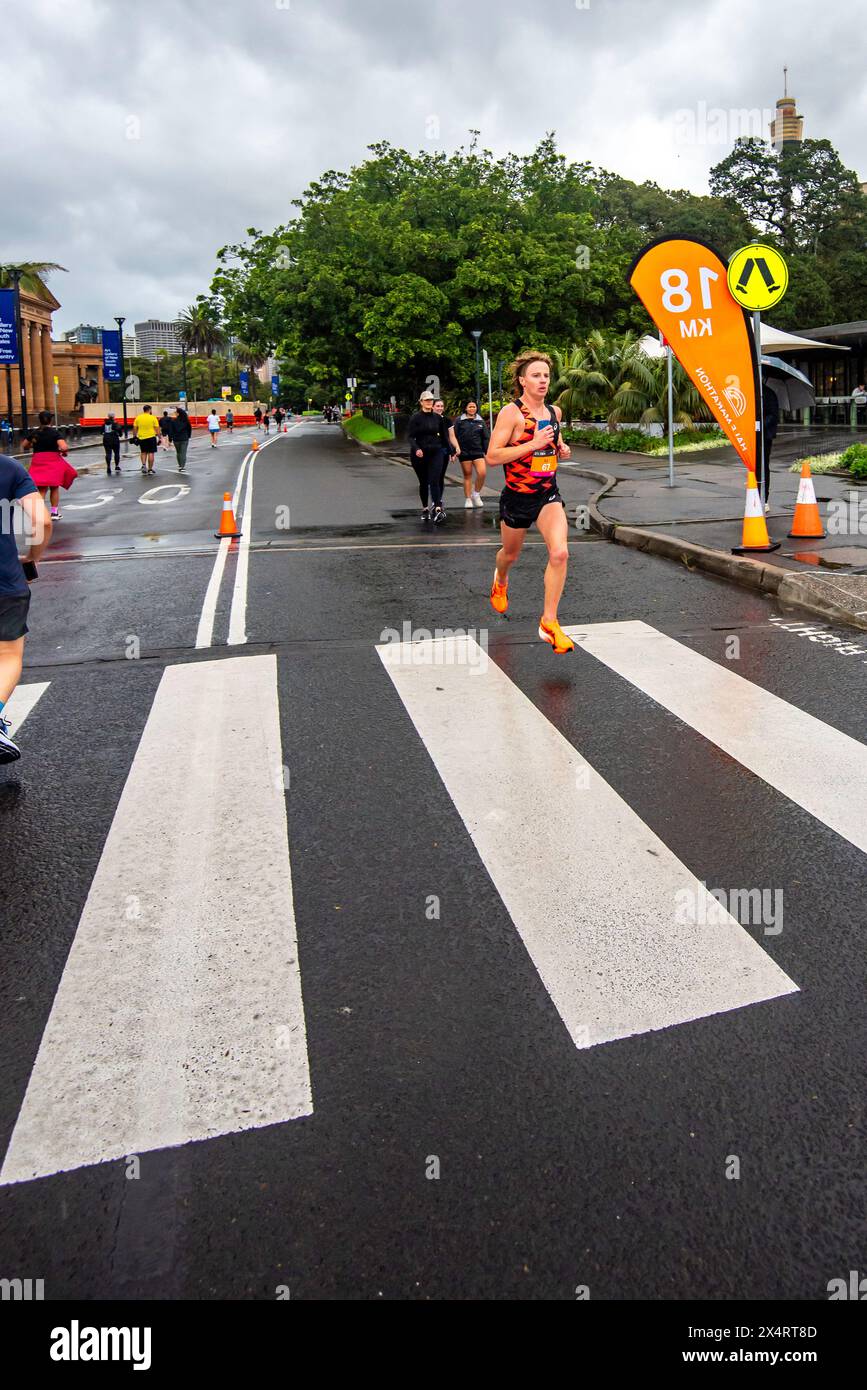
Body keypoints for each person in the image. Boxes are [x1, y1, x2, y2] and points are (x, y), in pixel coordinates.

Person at [485, 351, 574, 653]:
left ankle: (549, 621)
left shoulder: (555, 412)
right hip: (517, 497)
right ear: (522, 380)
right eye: (536, 375)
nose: (543, 380)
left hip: (547, 494)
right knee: (509, 555)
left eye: (546, 375)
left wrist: (561, 446)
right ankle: (500, 579)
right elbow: (493, 456)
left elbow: (553, 441)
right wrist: (532, 444)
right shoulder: (511, 413)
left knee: (560, 553)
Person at [0, 449, 52, 762]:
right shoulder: (8, 468)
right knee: (7, 654)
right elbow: (42, 521)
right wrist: (33, 555)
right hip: (5, 582)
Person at [407, 389, 452, 523]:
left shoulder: (438, 418)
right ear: (421, 402)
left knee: (435, 479)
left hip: (436, 451)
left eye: (431, 400)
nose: (429, 402)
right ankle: (425, 508)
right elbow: (410, 437)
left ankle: (438, 508)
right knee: (423, 482)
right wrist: (416, 449)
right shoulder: (415, 418)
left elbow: (444, 437)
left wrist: (451, 452)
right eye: (426, 400)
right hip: (420, 454)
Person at [24, 412, 77, 519]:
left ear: (40, 420)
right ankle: (54, 512)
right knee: (54, 487)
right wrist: (62, 451)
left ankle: (39, 513)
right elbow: (64, 447)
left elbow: (25, 445)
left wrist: (34, 445)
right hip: (52, 461)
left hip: (38, 461)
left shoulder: (35, 433)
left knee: (42, 489)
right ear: (50, 420)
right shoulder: (54, 433)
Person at [455, 401, 489, 509]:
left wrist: (487, 452)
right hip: (464, 452)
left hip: (478, 451)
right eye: (469, 407)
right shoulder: (459, 421)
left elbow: (485, 437)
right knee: (467, 475)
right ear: (466, 408)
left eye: (474, 407)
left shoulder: (480, 421)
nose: (472, 409)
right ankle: (468, 499)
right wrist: (455, 450)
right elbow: (453, 436)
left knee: (482, 473)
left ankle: (476, 494)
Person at [432, 399, 459, 505]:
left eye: (441, 406)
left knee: (440, 476)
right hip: (430, 451)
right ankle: (435, 498)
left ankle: (438, 500)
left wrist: (456, 447)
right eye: (437, 406)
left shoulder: (447, 420)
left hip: (443, 450)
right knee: (433, 477)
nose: (440, 408)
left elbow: (451, 436)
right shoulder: (427, 419)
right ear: (433, 407)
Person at [758, 380, 780, 512]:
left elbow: (773, 415)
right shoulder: (751, 393)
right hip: (753, 436)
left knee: (763, 466)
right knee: (754, 468)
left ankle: (764, 499)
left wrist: (760, 425)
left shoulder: (769, 394)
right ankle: (755, 496)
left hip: (764, 436)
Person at [133, 405, 160, 475]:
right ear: (150, 410)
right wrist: (160, 437)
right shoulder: (153, 418)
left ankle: (144, 465)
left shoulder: (138, 418)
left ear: (144, 410)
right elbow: (157, 428)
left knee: (143, 452)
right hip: (151, 437)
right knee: (151, 453)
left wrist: (134, 436)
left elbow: (135, 428)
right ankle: (150, 469)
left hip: (142, 437)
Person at [172, 405, 192, 471]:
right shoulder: (186, 421)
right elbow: (189, 429)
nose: (175, 413)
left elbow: (171, 430)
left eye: (176, 412)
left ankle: (180, 465)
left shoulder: (174, 421)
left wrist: (171, 437)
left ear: (178, 413)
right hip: (184, 438)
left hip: (176, 439)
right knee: (183, 452)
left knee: (178, 452)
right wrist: (188, 436)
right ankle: (182, 467)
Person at [102, 412, 122, 476]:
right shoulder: (116, 424)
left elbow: (101, 432)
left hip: (106, 440)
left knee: (108, 453)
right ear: (114, 417)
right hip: (115, 440)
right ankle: (117, 466)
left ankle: (108, 467)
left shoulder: (104, 424)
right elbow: (120, 433)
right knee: (116, 453)